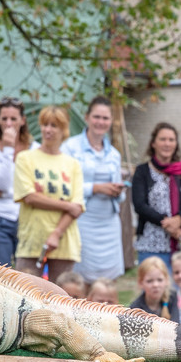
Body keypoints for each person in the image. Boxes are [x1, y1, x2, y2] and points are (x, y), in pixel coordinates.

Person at [14, 106, 83, 278]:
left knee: (60, 300)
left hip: (65, 244)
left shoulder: (72, 164)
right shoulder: (25, 158)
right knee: (26, 297)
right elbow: (29, 197)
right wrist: (67, 205)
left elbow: (78, 207)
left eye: (54, 125)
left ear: (64, 130)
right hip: (32, 241)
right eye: (45, 125)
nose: (48, 130)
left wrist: (56, 233)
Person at [64, 96, 126, 280]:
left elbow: (118, 193)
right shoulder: (70, 148)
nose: (101, 122)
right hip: (82, 221)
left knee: (107, 281)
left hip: (109, 222)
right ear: (87, 117)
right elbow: (65, 187)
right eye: (96, 117)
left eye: (105, 118)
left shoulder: (114, 154)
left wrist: (117, 191)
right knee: (81, 280)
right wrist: (96, 188)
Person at [132, 121, 181, 271]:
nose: (167, 144)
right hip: (151, 245)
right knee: (153, 290)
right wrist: (168, 224)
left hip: (180, 242)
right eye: (162, 139)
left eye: (171, 140)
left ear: (176, 144)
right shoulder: (142, 171)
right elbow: (140, 205)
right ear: (153, 143)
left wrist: (178, 220)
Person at [0, 97, 31, 267]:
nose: (9, 124)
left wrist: (9, 190)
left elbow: (36, 186)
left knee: (29, 278)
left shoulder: (35, 149)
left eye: (13, 119)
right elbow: (3, 183)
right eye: (4, 119)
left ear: (22, 121)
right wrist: (8, 148)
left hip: (28, 218)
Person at [127, 256, 178, 321]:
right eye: (149, 281)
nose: (155, 285)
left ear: (167, 280)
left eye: (160, 280)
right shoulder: (135, 309)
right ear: (141, 283)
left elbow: (176, 324)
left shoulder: (171, 297)